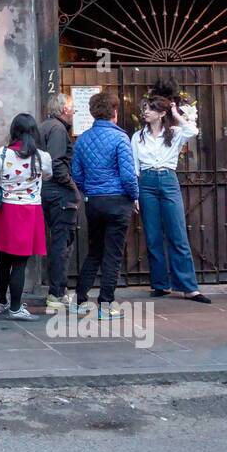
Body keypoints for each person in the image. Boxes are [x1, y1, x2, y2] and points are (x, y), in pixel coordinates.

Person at [133, 92, 210, 303]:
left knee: (177, 233)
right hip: (146, 182)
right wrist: (135, 195)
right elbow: (134, 169)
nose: (146, 112)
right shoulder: (138, 136)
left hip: (168, 179)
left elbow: (193, 130)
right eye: (145, 108)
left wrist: (176, 113)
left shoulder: (175, 132)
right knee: (153, 235)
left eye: (150, 109)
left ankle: (188, 287)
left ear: (161, 113)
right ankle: (160, 284)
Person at [70, 91, 137, 319]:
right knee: (113, 254)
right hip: (118, 201)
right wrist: (134, 196)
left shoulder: (82, 140)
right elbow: (128, 176)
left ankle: (79, 299)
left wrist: (89, 190)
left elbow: (76, 174)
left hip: (94, 203)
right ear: (115, 113)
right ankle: (106, 304)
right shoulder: (121, 139)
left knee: (95, 251)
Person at [0, 113, 51, 321]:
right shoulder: (42, 157)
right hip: (29, 211)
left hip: (6, 210)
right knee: (20, 263)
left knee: (3, 260)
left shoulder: (3, 154)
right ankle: (16, 308)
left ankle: (2, 302)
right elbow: (48, 175)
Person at [39, 93, 78, 313]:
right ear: (64, 109)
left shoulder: (46, 127)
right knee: (62, 243)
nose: (74, 111)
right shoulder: (58, 129)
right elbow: (56, 163)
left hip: (48, 192)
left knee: (57, 242)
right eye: (72, 107)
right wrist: (72, 188)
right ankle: (57, 293)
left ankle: (57, 291)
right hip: (59, 194)